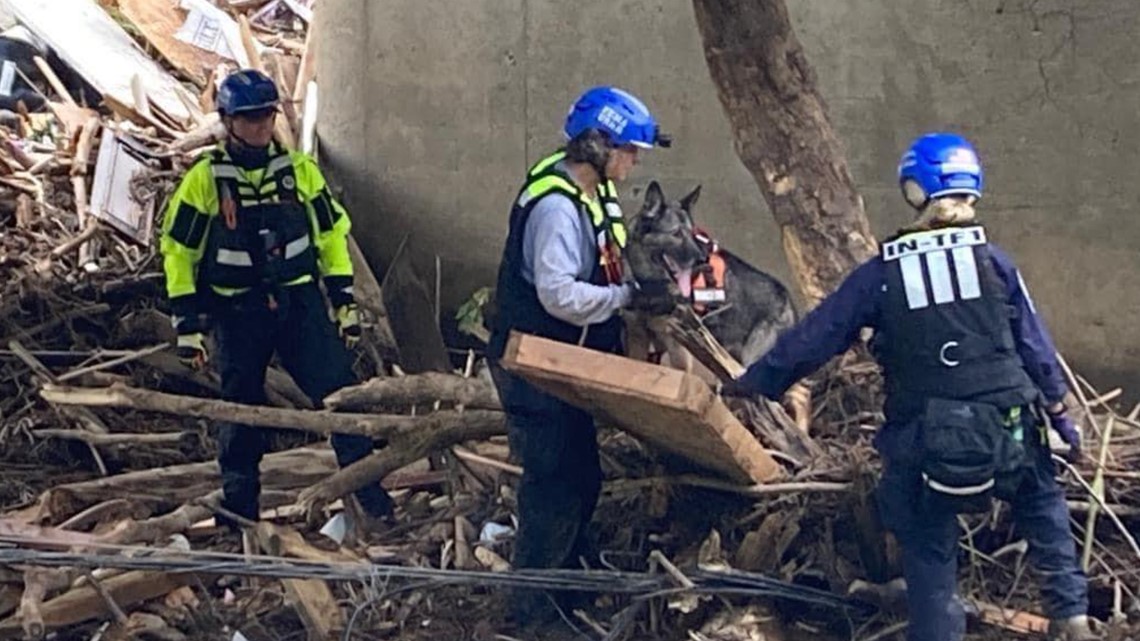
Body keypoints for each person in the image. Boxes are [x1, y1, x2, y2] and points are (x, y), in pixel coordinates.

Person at [724, 133, 1096, 641]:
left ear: (915, 191)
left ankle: (936, 624)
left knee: (923, 534)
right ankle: (1071, 615)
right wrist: (1059, 416)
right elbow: (1035, 346)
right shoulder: (995, 262)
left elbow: (816, 337)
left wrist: (753, 384)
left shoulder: (883, 272)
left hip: (927, 442)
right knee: (1041, 501)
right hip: (1009, 430)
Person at [160, 69, 394, 529]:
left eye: (267, 115)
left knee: (339, 396)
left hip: (299, 304)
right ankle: (239, 509)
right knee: (240, 408)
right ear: (228, 122)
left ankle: (369, 493)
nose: (260, 126)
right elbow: (179, 253)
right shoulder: (206, 180)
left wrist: (343, 301)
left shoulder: (301, 172)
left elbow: (331, 235)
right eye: (249, 118)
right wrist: (187, 326)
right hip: (237, 311)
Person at [486, 86, 673, 623]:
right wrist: (628, 299)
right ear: (598, 146)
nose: (634, 161)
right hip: (534, 364)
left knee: (582, 476)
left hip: (563, 364)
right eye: (629, 150)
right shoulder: (557, 209)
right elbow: (560, 296)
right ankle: (533, 615)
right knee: (551, 485)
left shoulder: (591, 190)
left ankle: (566, 590)